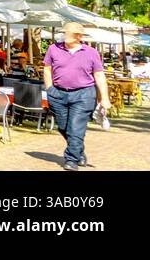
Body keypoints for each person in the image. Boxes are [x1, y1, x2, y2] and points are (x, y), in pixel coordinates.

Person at [43, 22, 111, 170]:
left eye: (70, 33)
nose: (65, 36)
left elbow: (99, 75)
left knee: (75, 127)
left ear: (79, 36)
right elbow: (47, 69)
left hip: (84, 94)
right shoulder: (53, 49)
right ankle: (78, 151)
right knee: (63, 126)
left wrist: (104, 98)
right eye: (65, 33)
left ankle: (71, 160)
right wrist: (49, 88)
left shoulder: (91, 52)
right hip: (58, 93)